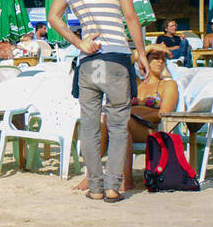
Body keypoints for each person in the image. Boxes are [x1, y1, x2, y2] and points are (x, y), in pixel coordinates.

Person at [47, 0, 149, 202]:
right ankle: (113, 187)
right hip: (115, 58)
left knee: (90, 127)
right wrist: (141, 53)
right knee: (117, 126)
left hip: (89, 62)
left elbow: (53, 17)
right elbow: (130, 17)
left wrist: (79, 43)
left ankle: (94, 187)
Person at [75, 45, 178, 192]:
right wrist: (148, 48)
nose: (160, 61)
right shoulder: (136, 83)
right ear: (145, 61)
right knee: (110, 120)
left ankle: (124, 179)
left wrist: (133, 116)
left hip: (151, 128)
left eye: (163, 59)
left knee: (120, 120)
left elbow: (165, 113)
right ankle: (94, 176)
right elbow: (124, 62)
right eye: (155, 57)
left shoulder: (168, 85)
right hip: (127, 125)